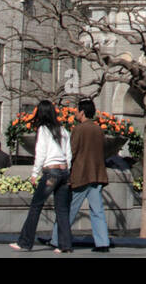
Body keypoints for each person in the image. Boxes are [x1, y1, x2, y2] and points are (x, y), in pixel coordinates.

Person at [51, 98, 113, 253]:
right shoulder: (99, 129)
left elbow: (72, 151)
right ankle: (102, 242)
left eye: (77, 111)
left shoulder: (79, 129)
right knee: (97, 210)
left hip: (81, 175)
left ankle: (57, 239)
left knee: (69, 209)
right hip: (97, 174)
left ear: (82, 112)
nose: (75, 114)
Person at [11, 100, 73, 253]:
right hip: (64, 172)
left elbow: (41, 153)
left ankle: (25, 242)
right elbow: (69, 154)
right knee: (62, 209)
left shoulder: (44, 130)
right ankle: (65, 245)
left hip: (51, 172)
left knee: (36, 205)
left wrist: (35, 173)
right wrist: (67, 171)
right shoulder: (63, 130)